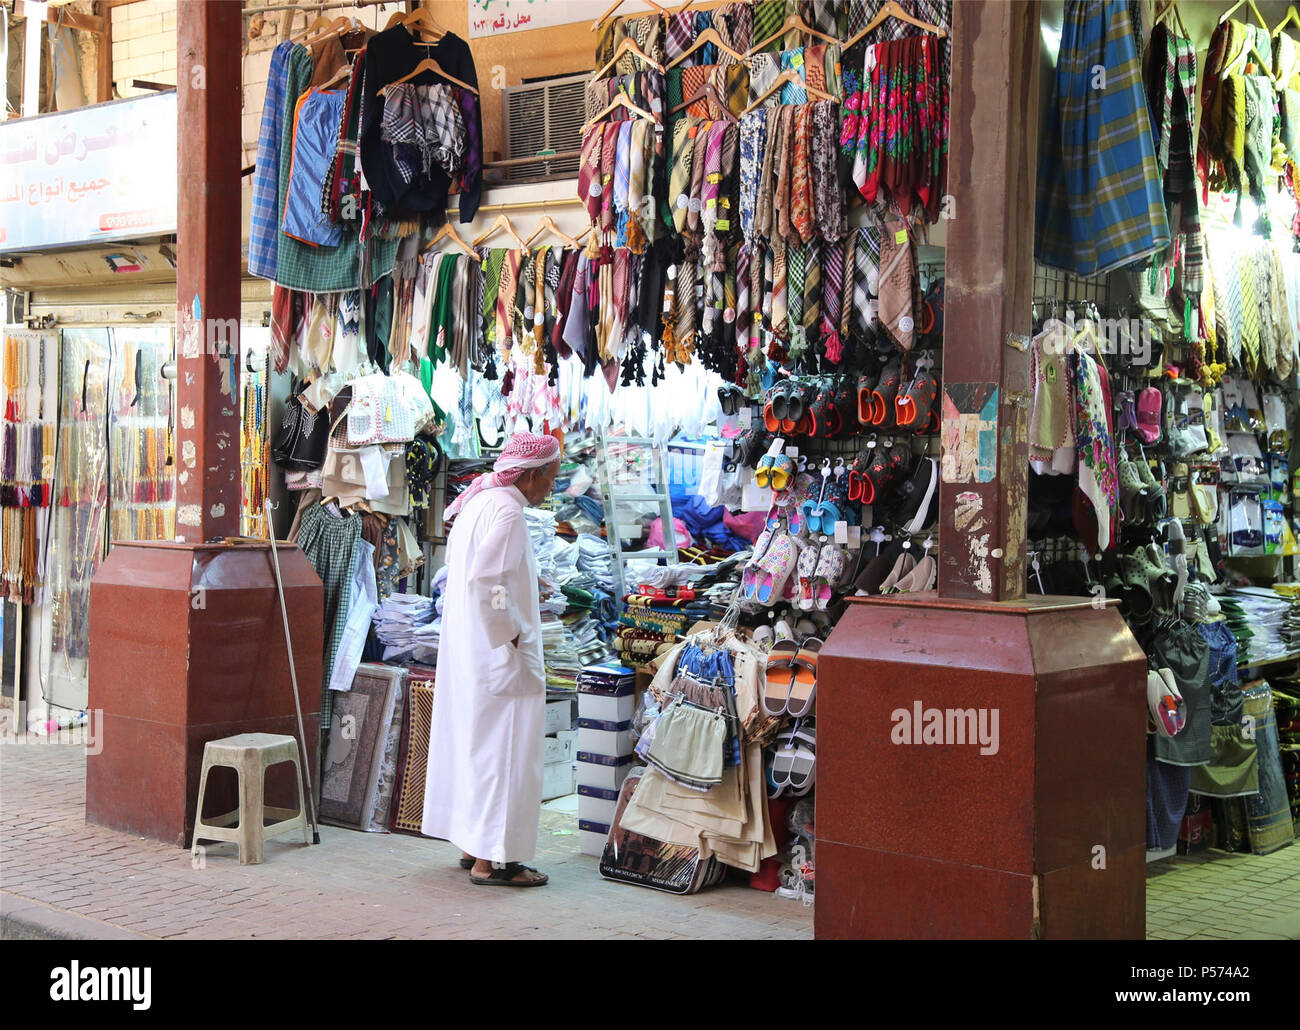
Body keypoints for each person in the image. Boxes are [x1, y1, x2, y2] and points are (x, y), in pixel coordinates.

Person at [421, 431, 561, 887]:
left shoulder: (480, 501)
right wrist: (513, 634)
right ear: (533, 475)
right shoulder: (506, 511)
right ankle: (496, 862)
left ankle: (473, 847)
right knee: (507, 752)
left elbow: (484, 575)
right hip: (498, 652)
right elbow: (489, 579)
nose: (553, 486)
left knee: (479, 748)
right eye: (552, 477)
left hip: (472, 651)